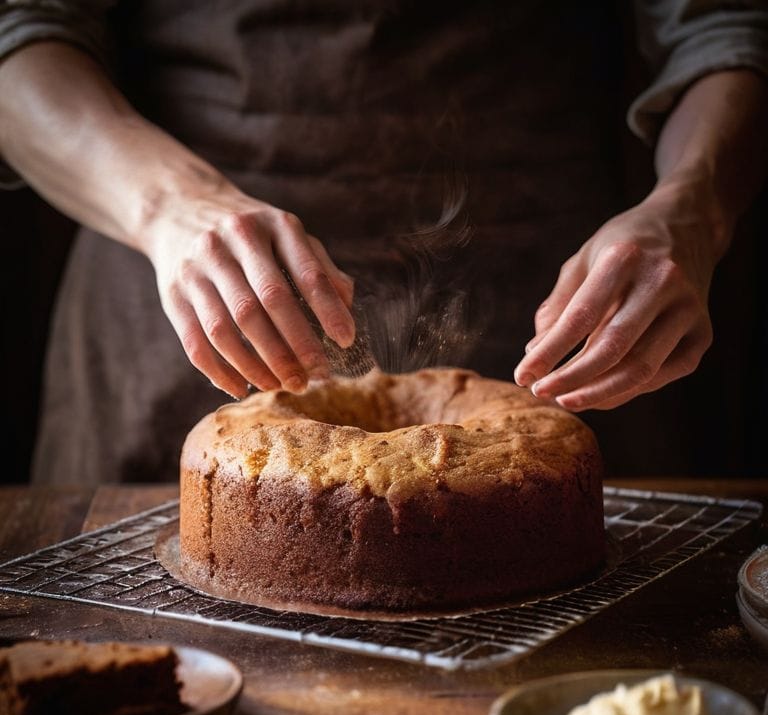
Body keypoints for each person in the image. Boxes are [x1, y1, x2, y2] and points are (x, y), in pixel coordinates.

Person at [0, 2, 766, 482]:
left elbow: (731, 26)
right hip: (181, 298)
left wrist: (691, 207)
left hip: (558, 313)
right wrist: (169, 205)